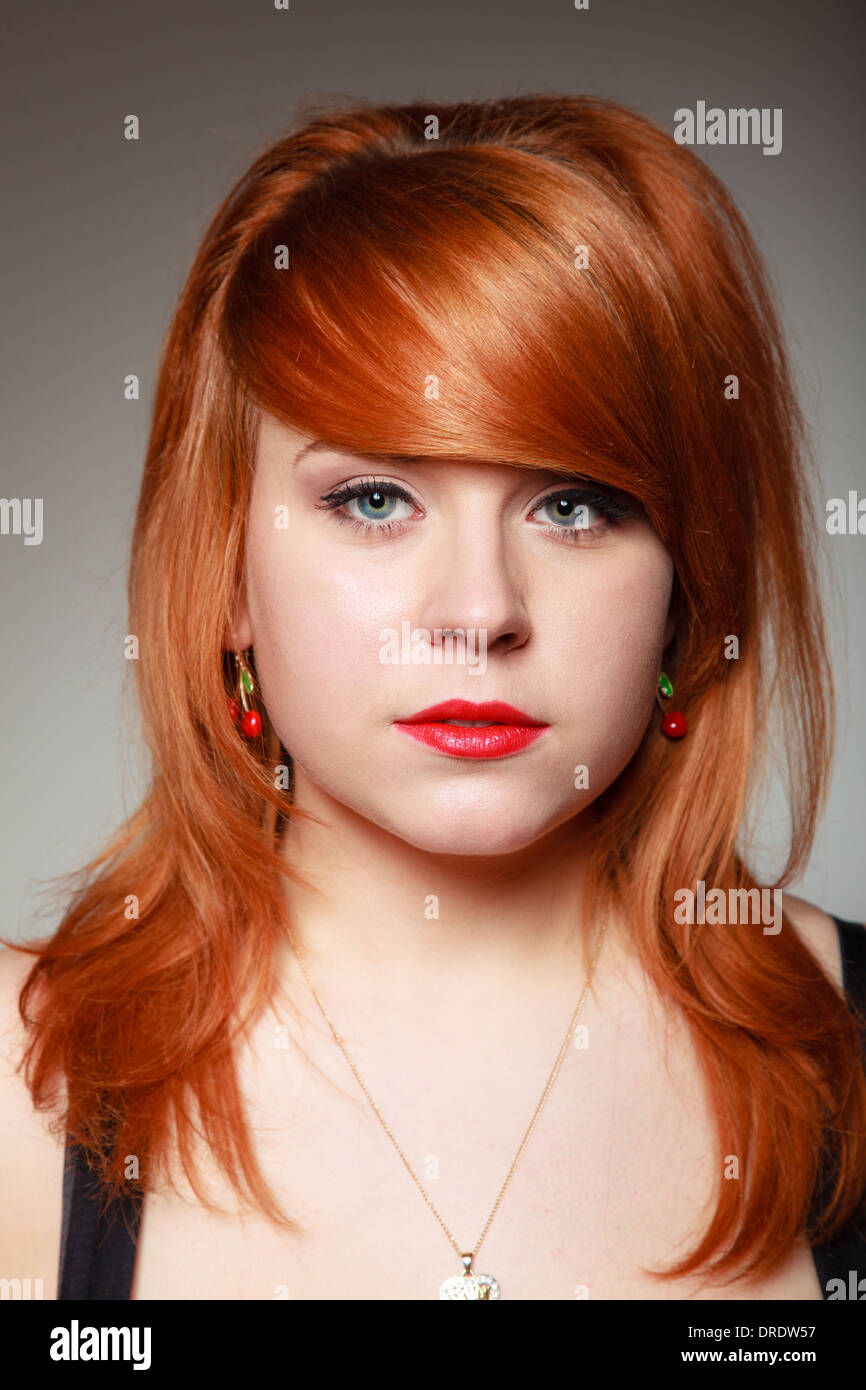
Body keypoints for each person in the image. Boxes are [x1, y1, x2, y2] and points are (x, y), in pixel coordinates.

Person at [1, 93, 864, 1302]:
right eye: (372, 499)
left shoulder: (850, 1052)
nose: (478, 610)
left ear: (689, 580)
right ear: (225, 574)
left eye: (573, 503)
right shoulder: (15, 1078)